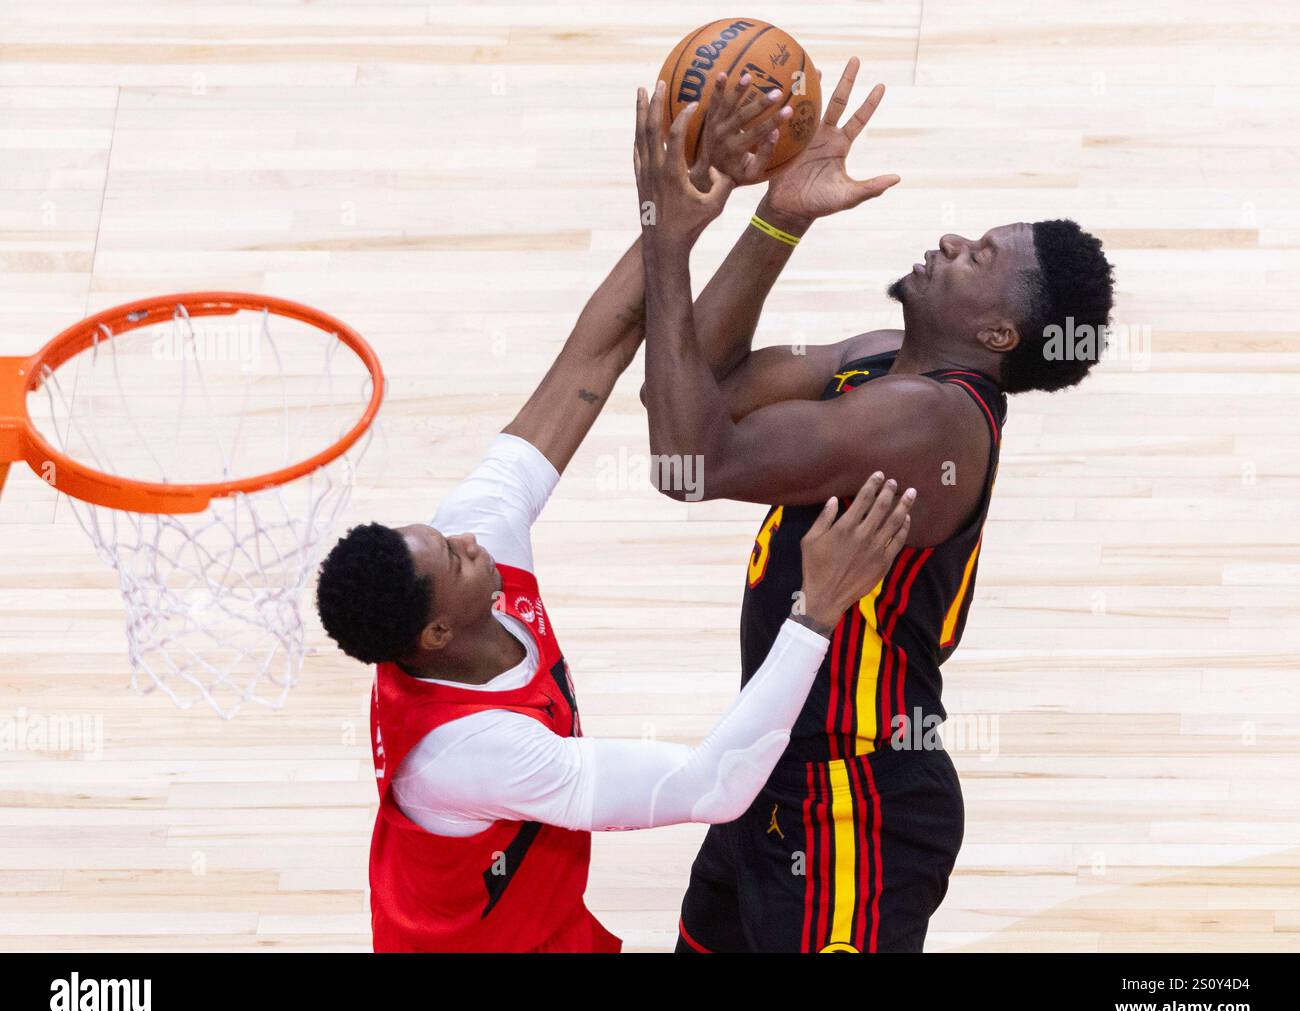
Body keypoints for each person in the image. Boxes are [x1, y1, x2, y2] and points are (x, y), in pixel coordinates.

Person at [315, 79, 915, 951]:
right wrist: (816, 612)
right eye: (455, 556)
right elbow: (714, 785)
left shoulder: (463, 575)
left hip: (532, 922)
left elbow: (587, 363)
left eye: (447, 534)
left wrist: (683, 211)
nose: (472, 538)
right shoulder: (472, 752)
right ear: (437, 636)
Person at [634, 59, 1115, 952]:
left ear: (999, 334)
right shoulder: (882, 357)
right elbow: (695, 388)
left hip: (851, 809)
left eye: (980, 256)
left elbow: (686, 460)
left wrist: (666, 241)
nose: (948, 241)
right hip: (766, 766)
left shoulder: (928, 422)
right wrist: (776, 219)